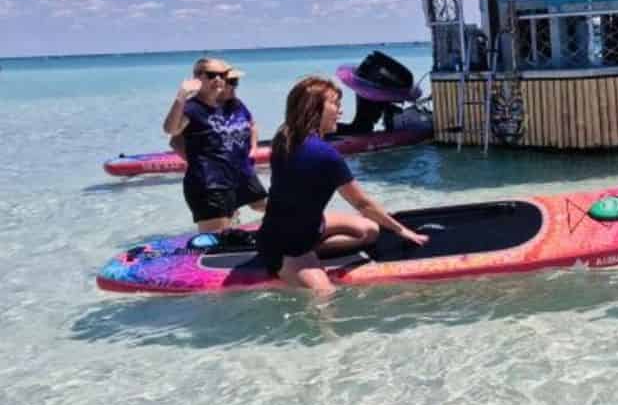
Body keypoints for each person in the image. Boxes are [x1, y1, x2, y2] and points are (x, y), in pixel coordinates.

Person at [255, 76, 428, 292]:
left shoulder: (285, 136)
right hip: (289, 247)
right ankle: (293, 264)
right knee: (325, 297)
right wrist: (402, 231)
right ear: (313, 109)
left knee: (369, 231)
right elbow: (362, 204)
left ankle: (313, 249)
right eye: (335, 104)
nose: (340, 111)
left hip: (300, 228)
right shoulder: (323, 154)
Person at [162, 58, 268, 232]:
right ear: (198, 78)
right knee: (218, 241)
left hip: (238, 176)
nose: (219, 79)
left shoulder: (231, 104)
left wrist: (253, 150)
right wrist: (181, 96)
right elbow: (171, 131)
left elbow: (251, 125)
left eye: (223, 76)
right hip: (210, 183)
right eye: (212, 75)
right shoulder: (192, 108)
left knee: (264, 207)